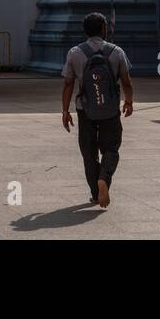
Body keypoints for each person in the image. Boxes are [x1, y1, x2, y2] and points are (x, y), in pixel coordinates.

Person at [61, 13, 133, 208]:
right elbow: (126, 81)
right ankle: (104, 178)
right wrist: (129, 102)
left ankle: (95, 193)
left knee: (89, 152)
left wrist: (65, 111)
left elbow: (68, 83)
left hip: (85, 110)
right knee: (111, 148)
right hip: (110, 110)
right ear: (103, 28)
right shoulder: (116, 51)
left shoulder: (75, 52)